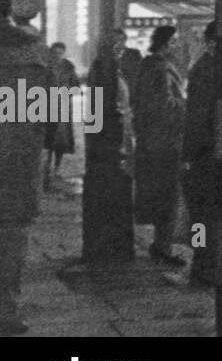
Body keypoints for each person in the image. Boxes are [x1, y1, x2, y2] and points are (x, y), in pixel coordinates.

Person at [0, 0, 53, 335]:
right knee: (13, 239)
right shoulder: (37, 52)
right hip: (18, 163)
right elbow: (52, 117)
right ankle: (7, 308)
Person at [183, 21, 222, 287]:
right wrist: (191, 155)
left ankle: (209, 262)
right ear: (211, 44)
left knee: (211, 213)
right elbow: (197, 117)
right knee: (202, 215)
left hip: (214, 154)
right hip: (205, 155)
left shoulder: (214, 69)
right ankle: (202, 262)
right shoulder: (205, 71)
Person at [133, 26, 186, 266]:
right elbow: (164, 106)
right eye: (174, 41)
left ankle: (161, 243)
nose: (177, 45)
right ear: (165, 43)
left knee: (162, 195)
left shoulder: (149, 66)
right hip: (165, 141)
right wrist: (186, 106)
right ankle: (163, 246)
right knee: (169, 195)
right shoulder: (160, 69)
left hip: (152, 140)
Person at [82, 29, 136, 264]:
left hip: (109, 143)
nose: (121, 50)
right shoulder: (106, 69)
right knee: (112, 199)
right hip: (110, 147)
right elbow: (106, 109)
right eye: (118, 45)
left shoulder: (105, 68)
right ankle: (111, 250)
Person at [43, 42, 79, 190]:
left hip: (63, 106)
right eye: (55, 53)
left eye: (59, 53)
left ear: (63, 53)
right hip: (47, 106)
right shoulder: (45, 67)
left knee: (61, 141)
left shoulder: (68, 67)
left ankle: (55, 168)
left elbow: (75, 86)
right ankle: (46, 169)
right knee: (47, 140)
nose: (57, 56)